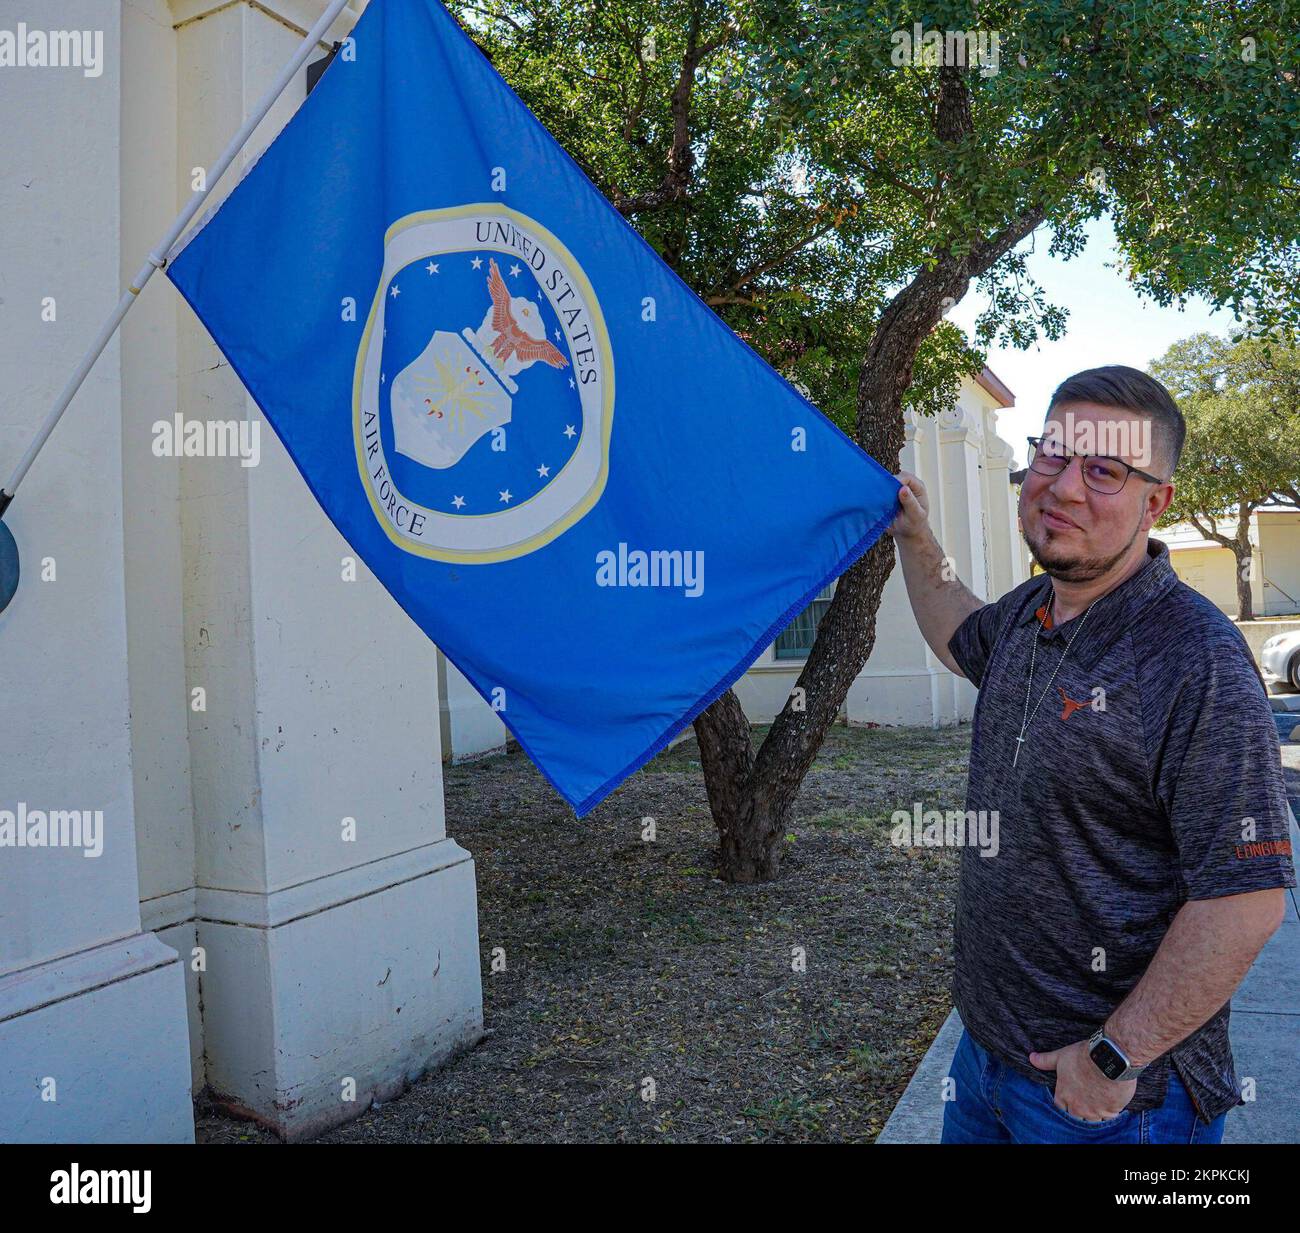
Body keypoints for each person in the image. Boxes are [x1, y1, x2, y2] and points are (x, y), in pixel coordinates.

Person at [888, 365, 1296, 1144]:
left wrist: (1111, 1057)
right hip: (983, 1062)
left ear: (1155, 502)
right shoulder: (1029, 614)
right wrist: (916, 535)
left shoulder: (1195, 659)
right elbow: (957, 628)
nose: (1065, 487)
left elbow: (1245, 902)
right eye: (1054, 454)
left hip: (1113, 1105)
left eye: (1104, 470)